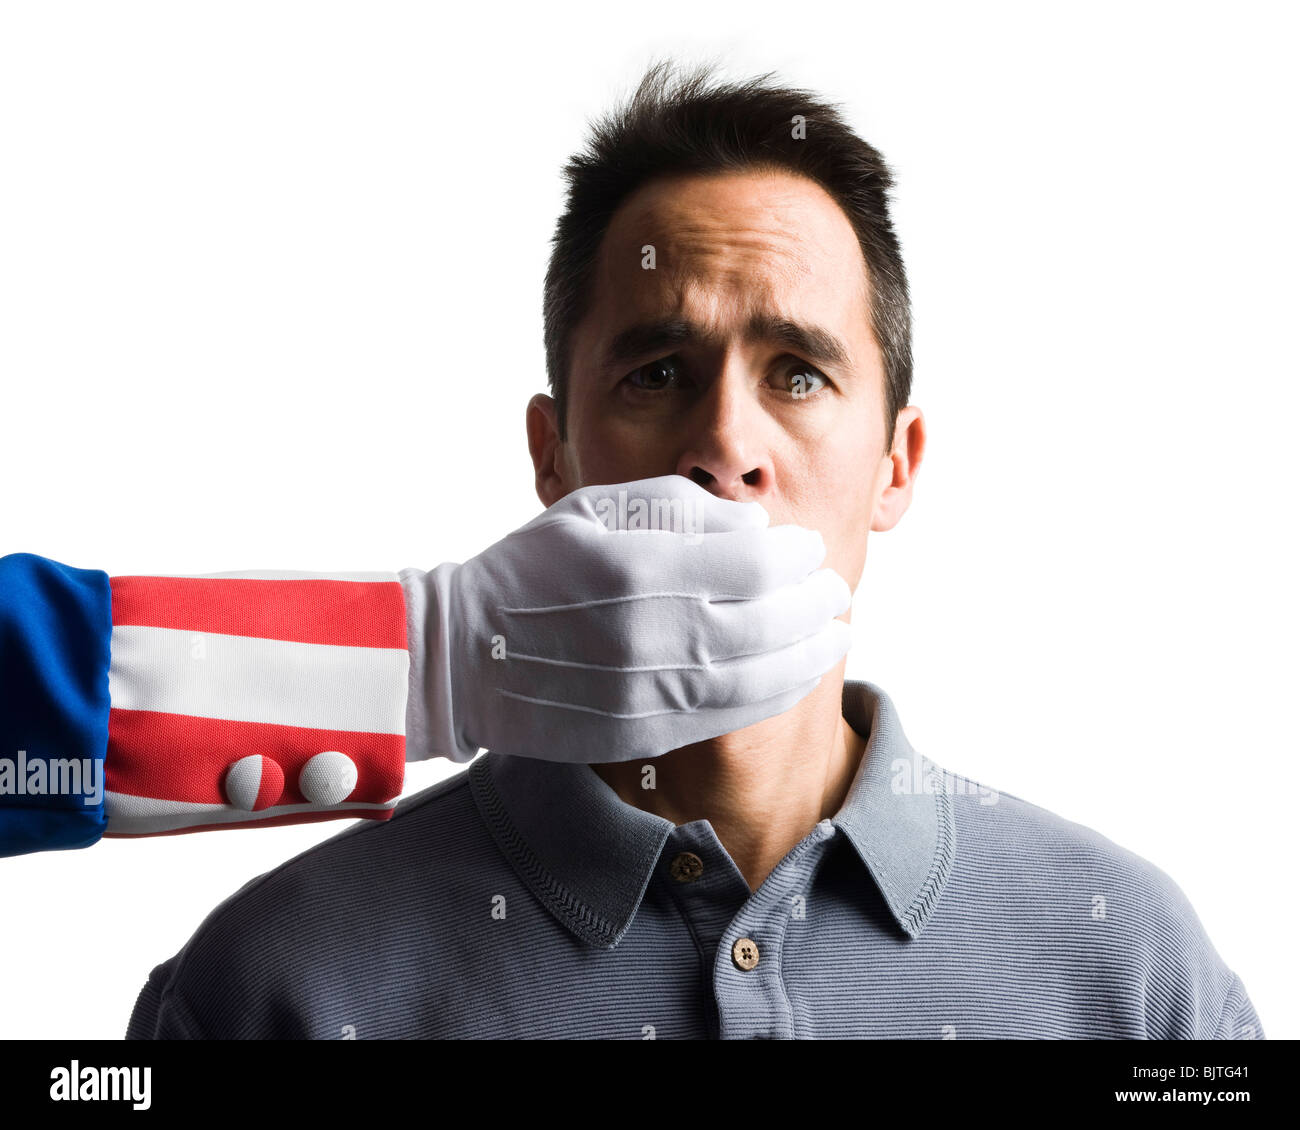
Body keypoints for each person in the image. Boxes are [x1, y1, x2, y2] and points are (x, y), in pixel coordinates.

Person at [119, 57, 1261, 1038]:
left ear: (897, 463)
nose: (724, 442)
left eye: (799, 373)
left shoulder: (1138, 972)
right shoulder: (278, 985)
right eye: (656, 372)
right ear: (552, 453)